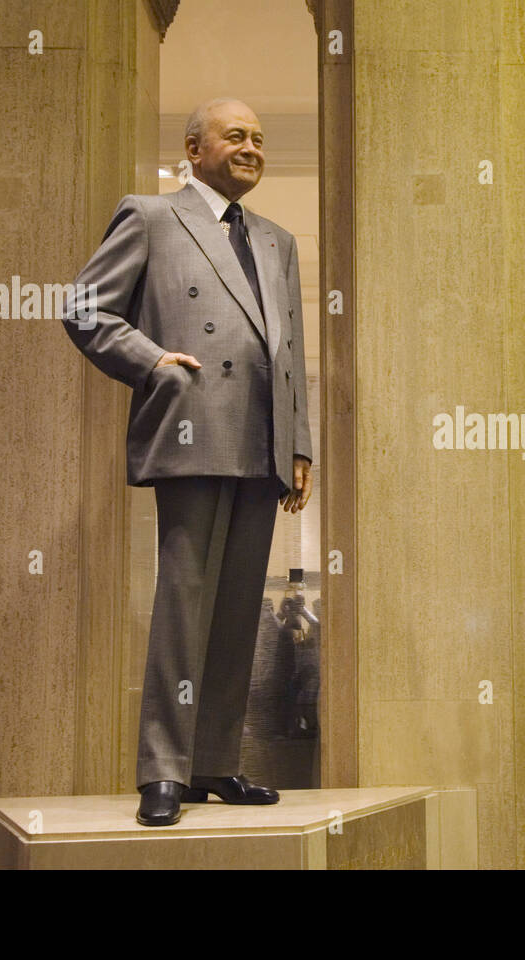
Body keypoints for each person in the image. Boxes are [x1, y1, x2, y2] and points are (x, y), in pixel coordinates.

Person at [63, 99, 314, 826]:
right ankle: (163, 772)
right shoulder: (149, 215)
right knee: (182, 608)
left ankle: (214, 763)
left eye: (260, 140)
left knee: (240, 615)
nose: (251, 148)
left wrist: (298, 445)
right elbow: (83, 308)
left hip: (260, 444)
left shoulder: (277, 240)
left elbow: (289, 352)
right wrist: (153, 361)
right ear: (194, 147)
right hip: (191, 430)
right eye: (236, 136)